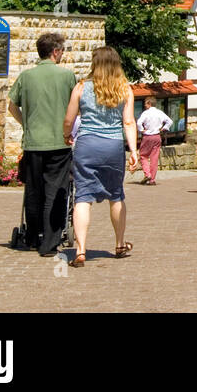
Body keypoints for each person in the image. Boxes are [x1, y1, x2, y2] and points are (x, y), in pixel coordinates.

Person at [63, 46, 138, 267]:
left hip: (86, 144)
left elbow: (69, 119)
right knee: (116, 194)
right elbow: (128, 122)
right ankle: (120, 244)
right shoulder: (124, 88)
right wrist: (133, 150)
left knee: (83, 196)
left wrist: (66, 135)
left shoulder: (81, 87)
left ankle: (80, 250)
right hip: (113, 146)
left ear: (95, 63)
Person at [8, 32, 77, 258]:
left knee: (33, 191)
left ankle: (32, 237)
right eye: (62, 51)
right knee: (55, 192)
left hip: (33, 143)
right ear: (55, 52)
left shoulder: (26, 77)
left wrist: (26, 124)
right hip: (59, 142)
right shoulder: (67, 76)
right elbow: (75, 107)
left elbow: (12, 106)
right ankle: (49, 243)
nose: (63, 54)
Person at [136, 95, 173, 185]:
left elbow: (139, 122)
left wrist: (141, 130)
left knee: (143, 155)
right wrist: (164, 128)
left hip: (147, 136)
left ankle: (147, 174)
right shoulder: (160, 112)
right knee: (154, 158)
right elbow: (170, 121)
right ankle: (152, 179)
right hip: (157, 136)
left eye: (146, 104)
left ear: (149, 103)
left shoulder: (146, 113)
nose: (145, 105)